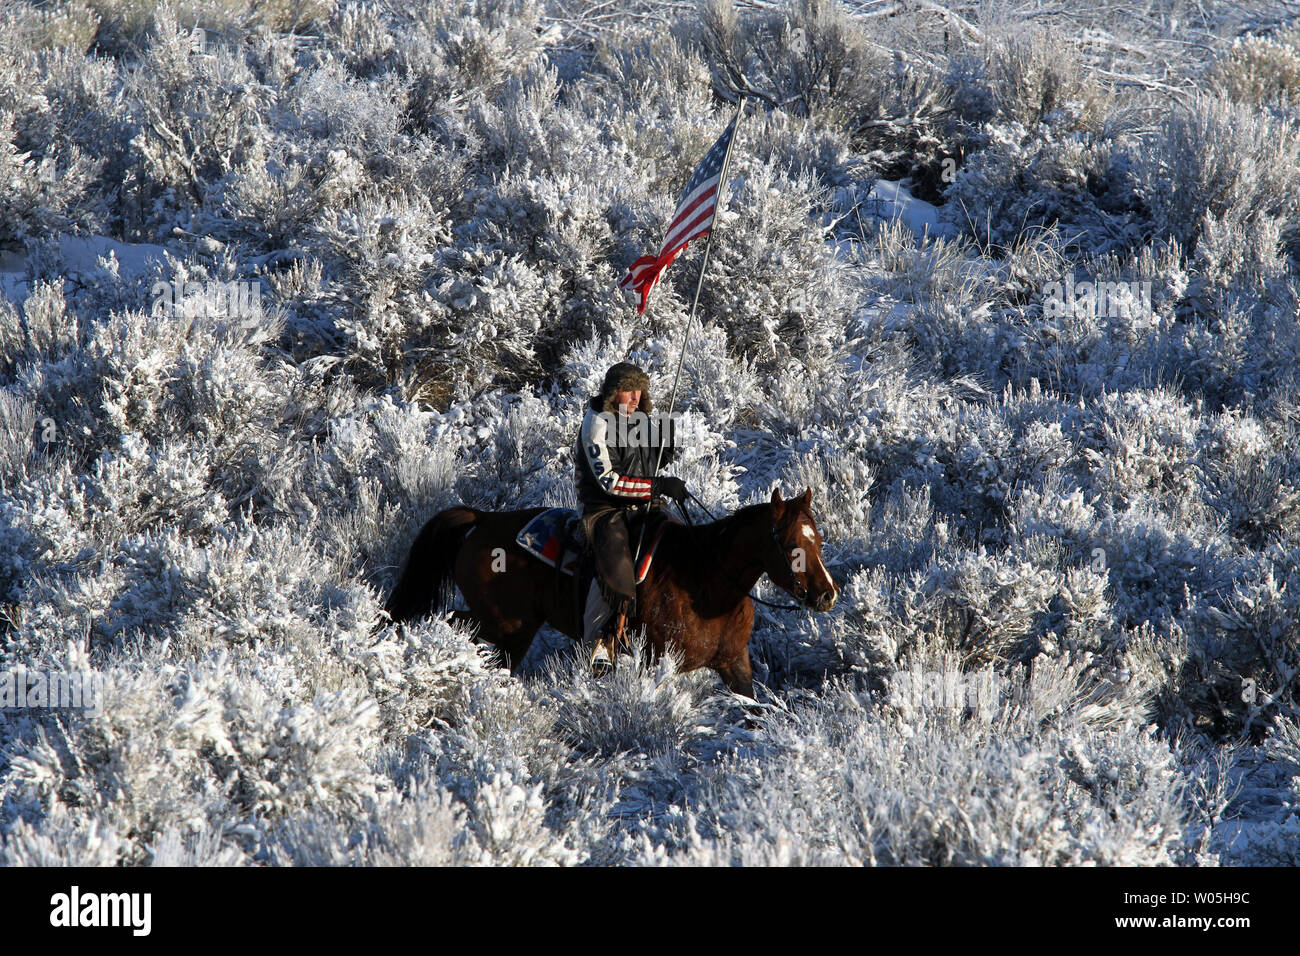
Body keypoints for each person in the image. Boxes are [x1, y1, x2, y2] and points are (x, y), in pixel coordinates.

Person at [574, 362, 687, 673]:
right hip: (605, 510)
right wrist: (657, 486)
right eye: (629, 390)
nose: (636, 397)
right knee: (616, 563)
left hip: (643, 506)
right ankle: (599, 642)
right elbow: (609, 481)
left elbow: (652, 459)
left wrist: (665, 445)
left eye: (640, 390)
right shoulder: (596, 425)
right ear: (614, 392)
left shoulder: (638, 419)